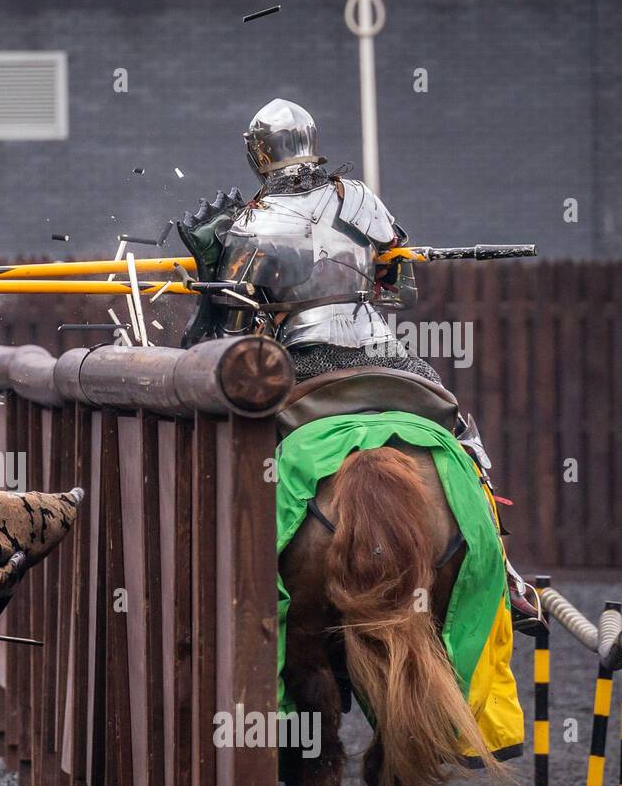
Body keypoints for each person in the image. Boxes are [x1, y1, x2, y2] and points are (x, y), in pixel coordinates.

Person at [178, 98, 543, 631]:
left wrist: (213, 274)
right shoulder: (359, 197)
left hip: (301, 356)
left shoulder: (248, 223)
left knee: (238, 439)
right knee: (457, 426)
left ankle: (229, 577)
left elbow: (226, 337)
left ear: (258, 154)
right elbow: (397, 286)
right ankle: (508, 575)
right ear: (311, 142)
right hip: (382, 351)